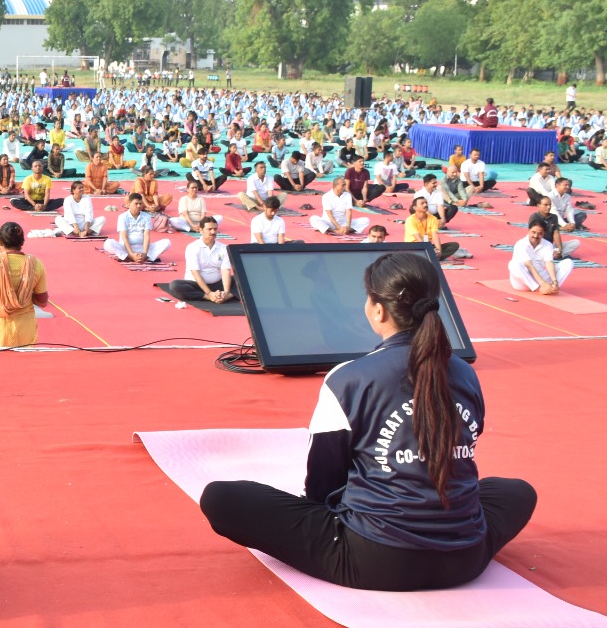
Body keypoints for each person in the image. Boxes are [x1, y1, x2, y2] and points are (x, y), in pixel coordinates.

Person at [200, 252, 536, 590]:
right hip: (466, 556)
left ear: (377, 309)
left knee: (221, 498)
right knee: (518, 492)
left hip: (376, 560)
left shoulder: (348, 378)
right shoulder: (465, 374)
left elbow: (322, 484)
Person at [0, 222, 48, 345]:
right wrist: (24, 294)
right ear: (21, 242)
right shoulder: (36, 264)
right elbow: (42, 301)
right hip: (25, 329)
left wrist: (0, 294)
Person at [166, 217, 236, 302]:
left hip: (217, 284)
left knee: (243, 278)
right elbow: (195, 273)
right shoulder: (193, 247)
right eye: (209, 229)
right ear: (201, 230)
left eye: (215, 229)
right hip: (197, 285)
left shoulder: (223, 248)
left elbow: (225, 271)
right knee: (175, 285)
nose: (213, 232)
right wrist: (209, 294)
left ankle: (225, 296)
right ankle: (208, 297)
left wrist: (226, 292)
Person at [509, 215, 573, 294]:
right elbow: (529, 265)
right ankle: (539, 288)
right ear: (528, 230)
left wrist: (554, 281)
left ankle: (552, 287)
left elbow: (549, 263)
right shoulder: (521, 244)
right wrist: (541, 285)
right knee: (513, 264)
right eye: (533, 232)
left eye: (539, 233)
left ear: (543, 234)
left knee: (568, 263)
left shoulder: (547, 245)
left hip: (541, 277)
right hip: (524, 282)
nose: (536, 236)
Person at [105, 193, 171, 263]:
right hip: (125, 248)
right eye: (136, 203)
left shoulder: (146, 217)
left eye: (140, 203)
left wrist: (145, 253)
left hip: (142, 247)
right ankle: (130, 257)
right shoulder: (122, 217)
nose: (139, 206)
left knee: (167, 242)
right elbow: (124, 237)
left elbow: (147, 236)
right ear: (129, 204)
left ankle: (142, 257)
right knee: (108, 243)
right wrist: (131, 254)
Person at [403, 195, 460, 262]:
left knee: (454, 245)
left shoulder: (433, 218)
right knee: (413, 253)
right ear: (415, 207)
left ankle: (433, 256)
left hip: (428, 245)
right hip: (414, 246)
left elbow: (435, 235)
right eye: (422, 203)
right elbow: (419, 239)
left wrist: (439, 251)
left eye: (426, 203)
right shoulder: (410, 220)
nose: (425, 205)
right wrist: (429, 250)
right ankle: (430, 256)